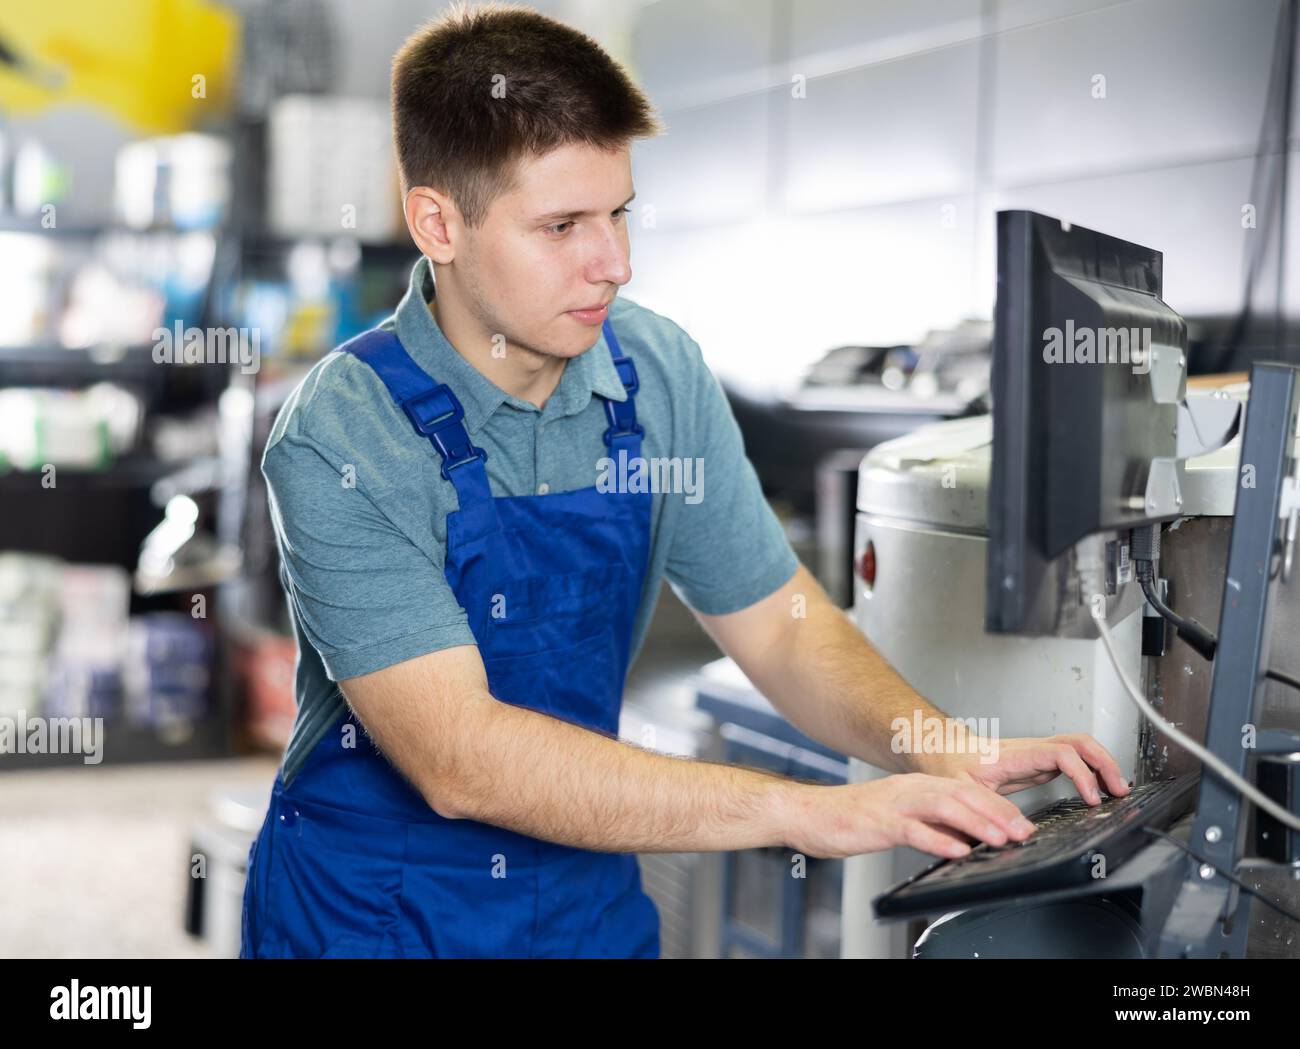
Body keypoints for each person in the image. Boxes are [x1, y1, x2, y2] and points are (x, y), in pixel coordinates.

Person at [240, 2, 1128, 959]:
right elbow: (461, 761)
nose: (614, 262)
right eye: (562, 224)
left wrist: (947, 747)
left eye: (618, 211)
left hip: (583, 901)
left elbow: (779, 627)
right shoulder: (344, 431)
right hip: (374, 917)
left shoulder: (655, 373)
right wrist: (808, 812)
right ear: (437, 224)